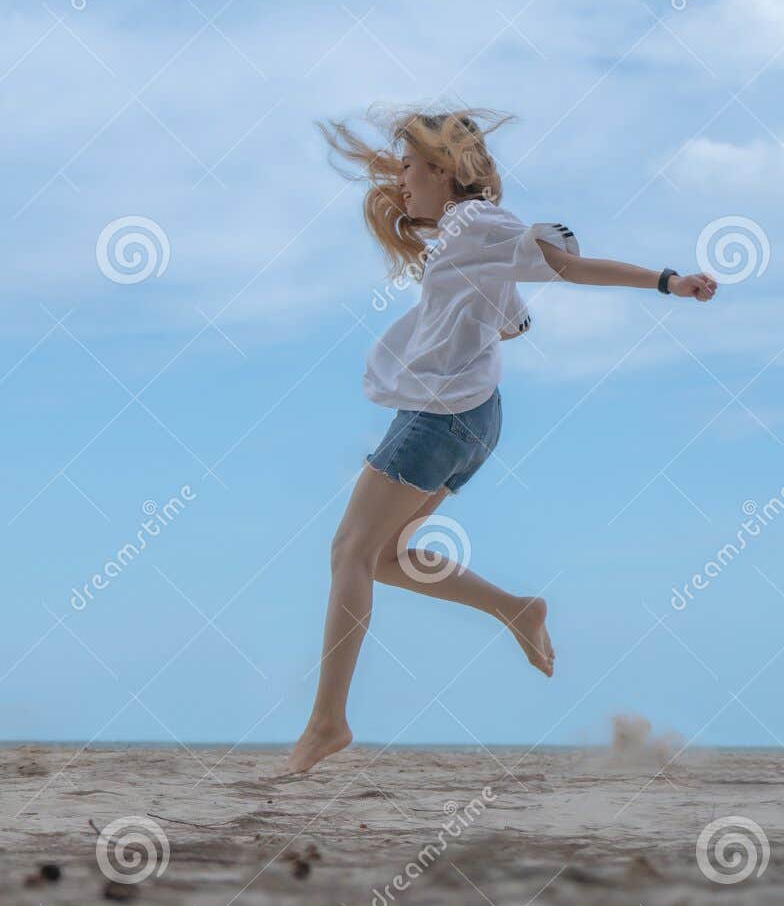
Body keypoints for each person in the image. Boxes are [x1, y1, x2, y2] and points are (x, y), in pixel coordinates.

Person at [283, 107, 718, 776]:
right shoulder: (467, 238)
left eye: (407, 164)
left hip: (441, 415)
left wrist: (666, 280)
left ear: (442, 167)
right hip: (471, 419)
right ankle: (516, 608)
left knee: (349, 549)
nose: (399, 179)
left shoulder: (476, 222)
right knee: (382, 558)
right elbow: (513, 321)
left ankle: (326, 721)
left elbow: (568, 268)